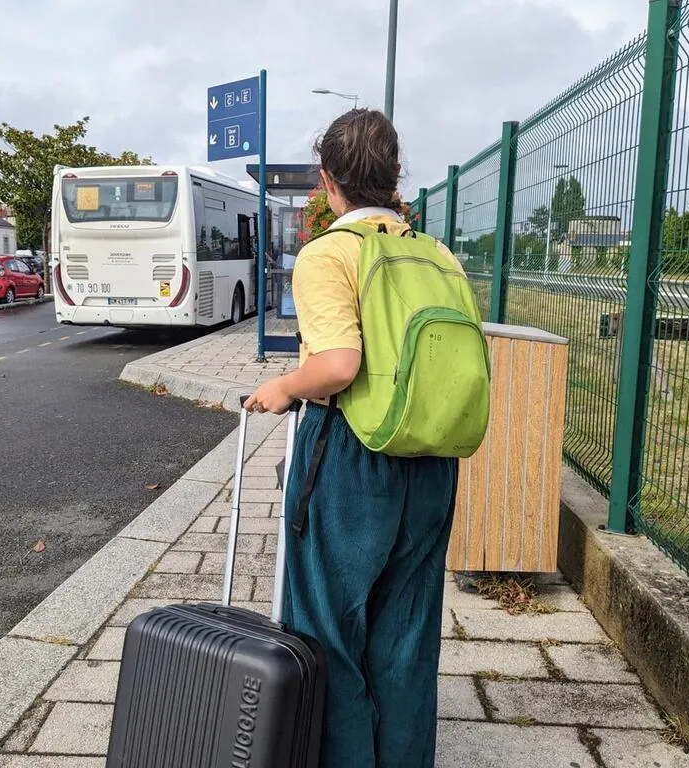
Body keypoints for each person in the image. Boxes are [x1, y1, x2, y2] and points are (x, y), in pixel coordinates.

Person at [244, 108, 461, 768]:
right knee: (406, 633)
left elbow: (339, 365)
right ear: (395, 178)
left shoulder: (330, 253)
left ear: (326, 180)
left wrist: (284, 387)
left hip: (350, 459)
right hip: (431, 459)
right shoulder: (436, 254)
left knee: (328, 631)